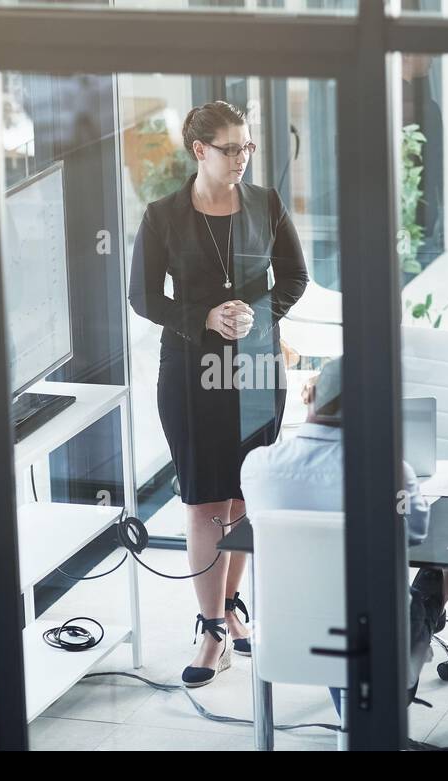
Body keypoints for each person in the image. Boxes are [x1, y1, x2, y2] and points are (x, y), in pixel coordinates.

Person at [128, 101, 309, 687]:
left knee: (240, 496)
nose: (243, 159)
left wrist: (262, 317)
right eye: (231, 149)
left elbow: (296, 278)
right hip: (190, 373)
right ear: (199, 151)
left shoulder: (267, 204)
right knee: (205, 499)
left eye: (248, 147)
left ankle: (229, 611)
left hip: (256, 370)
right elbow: (142, 298)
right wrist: (205, 317)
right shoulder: (163, 216)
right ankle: (209, 627)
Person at [241, 356, 435, 713]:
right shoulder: (392, 473)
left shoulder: (258, 466)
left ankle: (354, 717)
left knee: (328, 600)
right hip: (375, 637)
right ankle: (371, 715)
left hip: (284, 632)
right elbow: (416, 535)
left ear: (309, 396)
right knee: (424, 587)